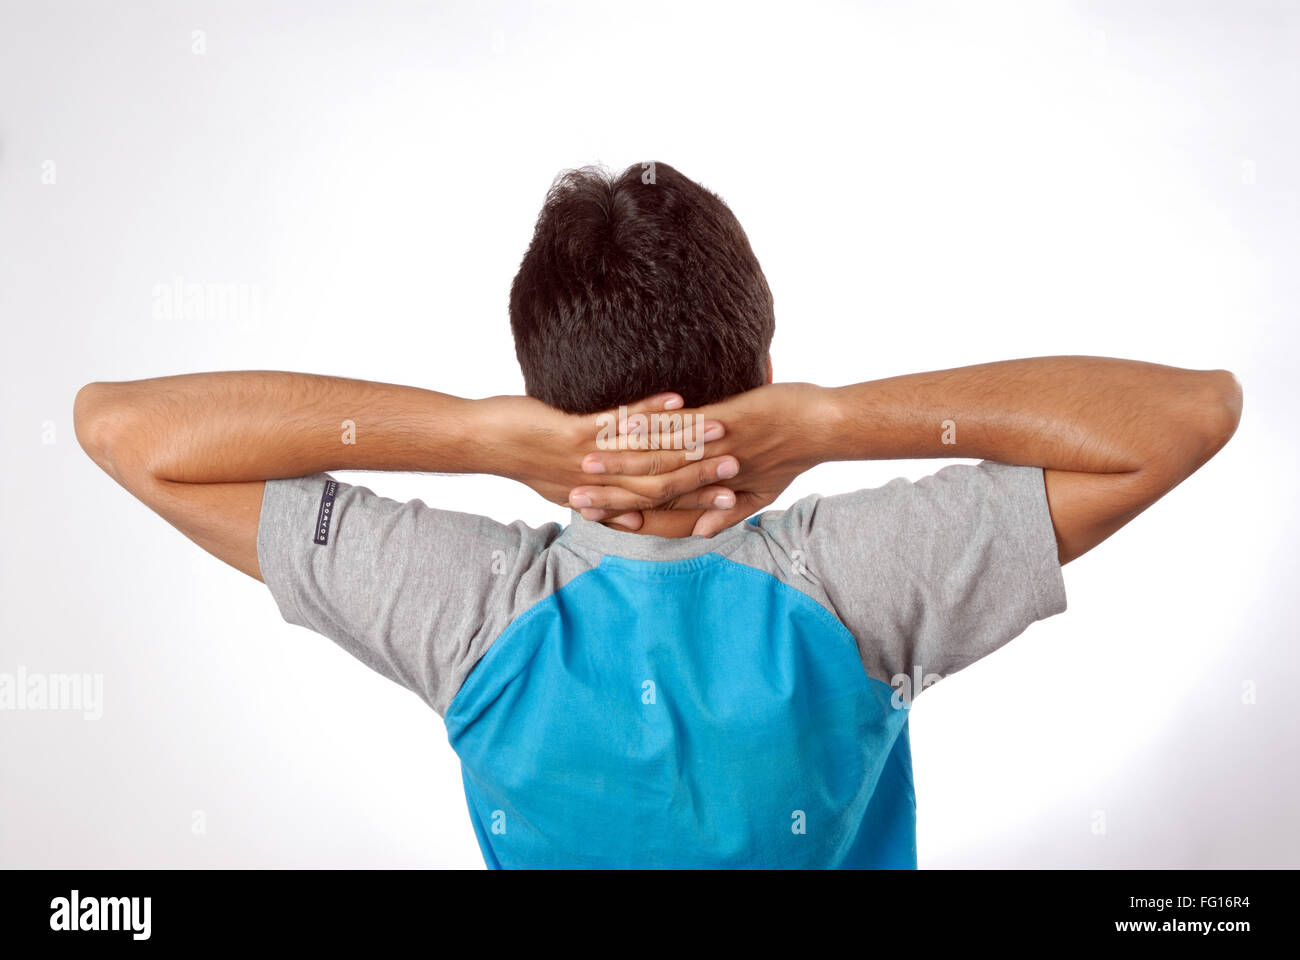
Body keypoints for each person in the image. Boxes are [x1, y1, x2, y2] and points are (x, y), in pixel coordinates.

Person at [73, 162, 1242, 868]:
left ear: (544, 393)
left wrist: (481, 438)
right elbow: (1187, 416)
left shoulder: (468, 610)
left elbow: (123, 432)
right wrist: (829, 421)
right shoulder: (858, 584)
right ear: (766, 366)